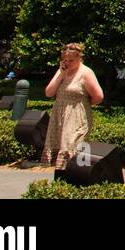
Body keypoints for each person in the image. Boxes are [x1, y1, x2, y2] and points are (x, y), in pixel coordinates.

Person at [43, 43, 104, 180]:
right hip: (60, 117)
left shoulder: (86, 73)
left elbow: (99, 97)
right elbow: (49, 92)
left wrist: (81, 105)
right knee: (60, 149)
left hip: (77, 118)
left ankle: (74, 183)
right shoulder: (62, 71)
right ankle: (59, 184)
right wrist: (61, 73)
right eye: (65, 60)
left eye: (71, 60)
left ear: (79, 58)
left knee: (71, 147)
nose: (68, 63)